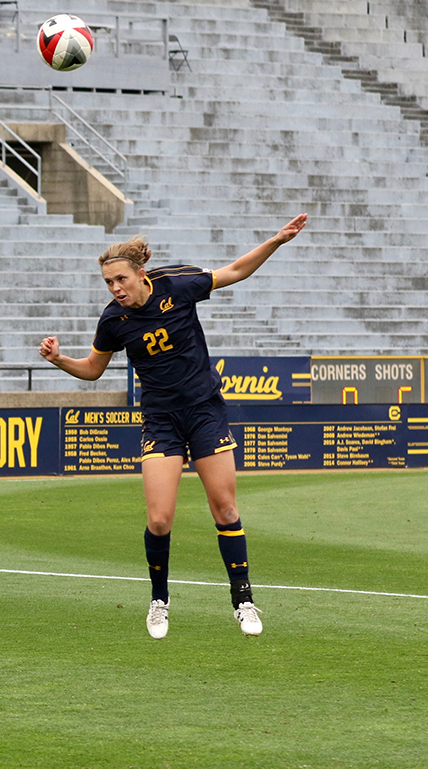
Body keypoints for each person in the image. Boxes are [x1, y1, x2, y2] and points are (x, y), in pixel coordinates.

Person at [39, 214, 308, 639]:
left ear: (140, 274)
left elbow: (234, 271)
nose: (115, 289)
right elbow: (93, 369)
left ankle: (243, 600)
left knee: (227, 510)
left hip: (204, 412)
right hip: (160, 420)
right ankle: (159, 601)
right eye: (109, 283)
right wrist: (59, 360)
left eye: (121, 279)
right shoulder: (113, 320)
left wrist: (276, 240)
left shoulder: (178, 285)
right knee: (160, 520)